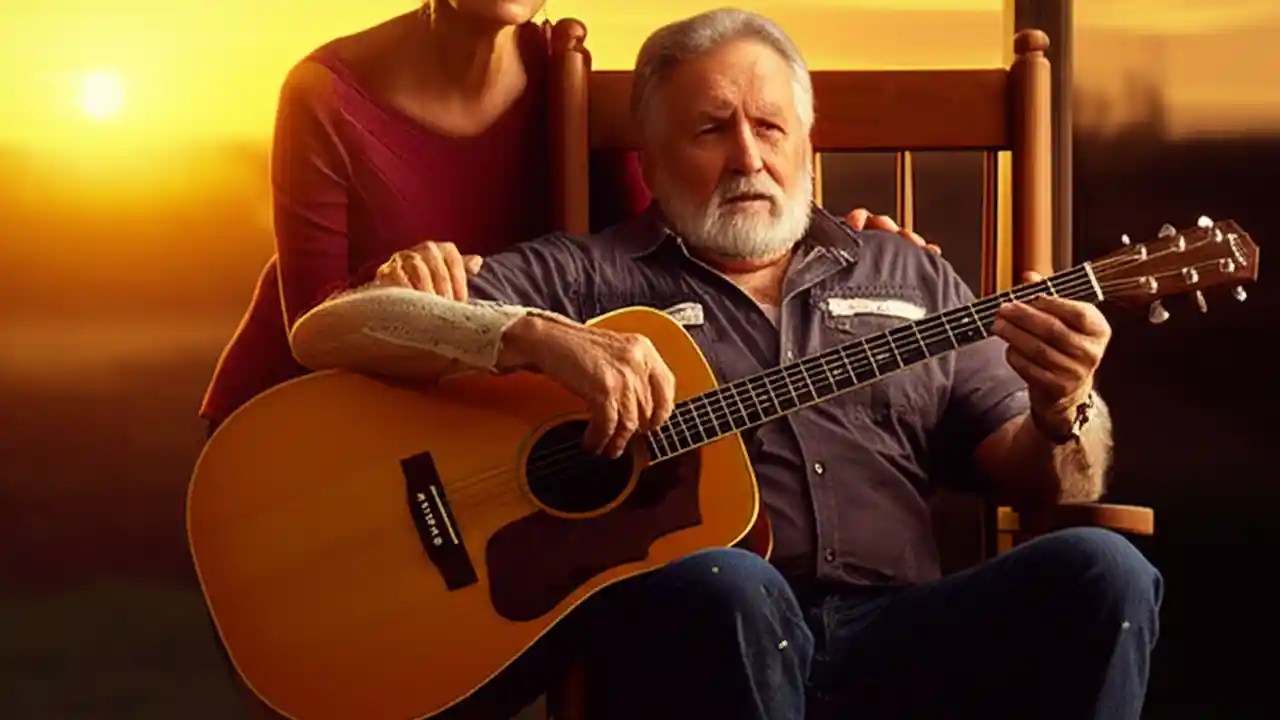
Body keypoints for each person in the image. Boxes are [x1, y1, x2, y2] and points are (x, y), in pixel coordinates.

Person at [291, 7, 1165, 720]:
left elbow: (1053, 475)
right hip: (705, 628)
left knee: (1106, 568)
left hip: (907, 626)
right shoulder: (589, 276)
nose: (748, 156)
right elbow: (330, 331)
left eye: (769, 127)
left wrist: (1066, 407)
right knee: (728, 583)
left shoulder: (911, 275)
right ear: (652, 156)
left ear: (806, 145)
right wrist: (539, 336)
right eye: (712, 130)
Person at [196, 0, 929, 437]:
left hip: (481, 436)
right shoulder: (323, 95)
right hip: (307, 426)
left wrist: (825, 246)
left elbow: (674, 250)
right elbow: (314, 325)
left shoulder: (571, 86)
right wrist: (493, 323)